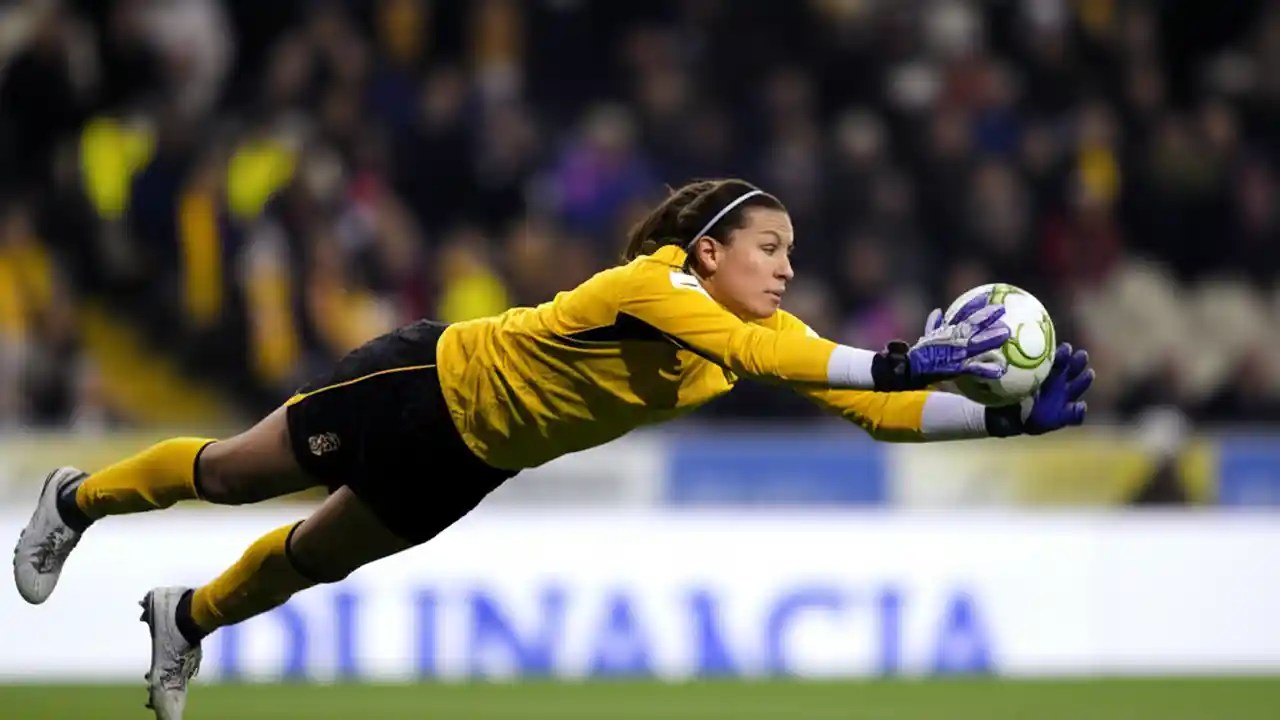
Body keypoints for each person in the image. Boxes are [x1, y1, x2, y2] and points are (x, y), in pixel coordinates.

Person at [12, 178, 1093, 719]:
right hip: (419, 387)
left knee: (312, 560)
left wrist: (994, 416)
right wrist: (907, 359)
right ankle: (78, 500)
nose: (785, 273)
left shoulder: (756, 334)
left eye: (792, 256)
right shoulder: (654, 287)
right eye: (769, 250)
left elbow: (869, 409)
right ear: (706, 247)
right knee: (230, 476)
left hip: (473, 461)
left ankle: (184, 617)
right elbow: (822, 367)